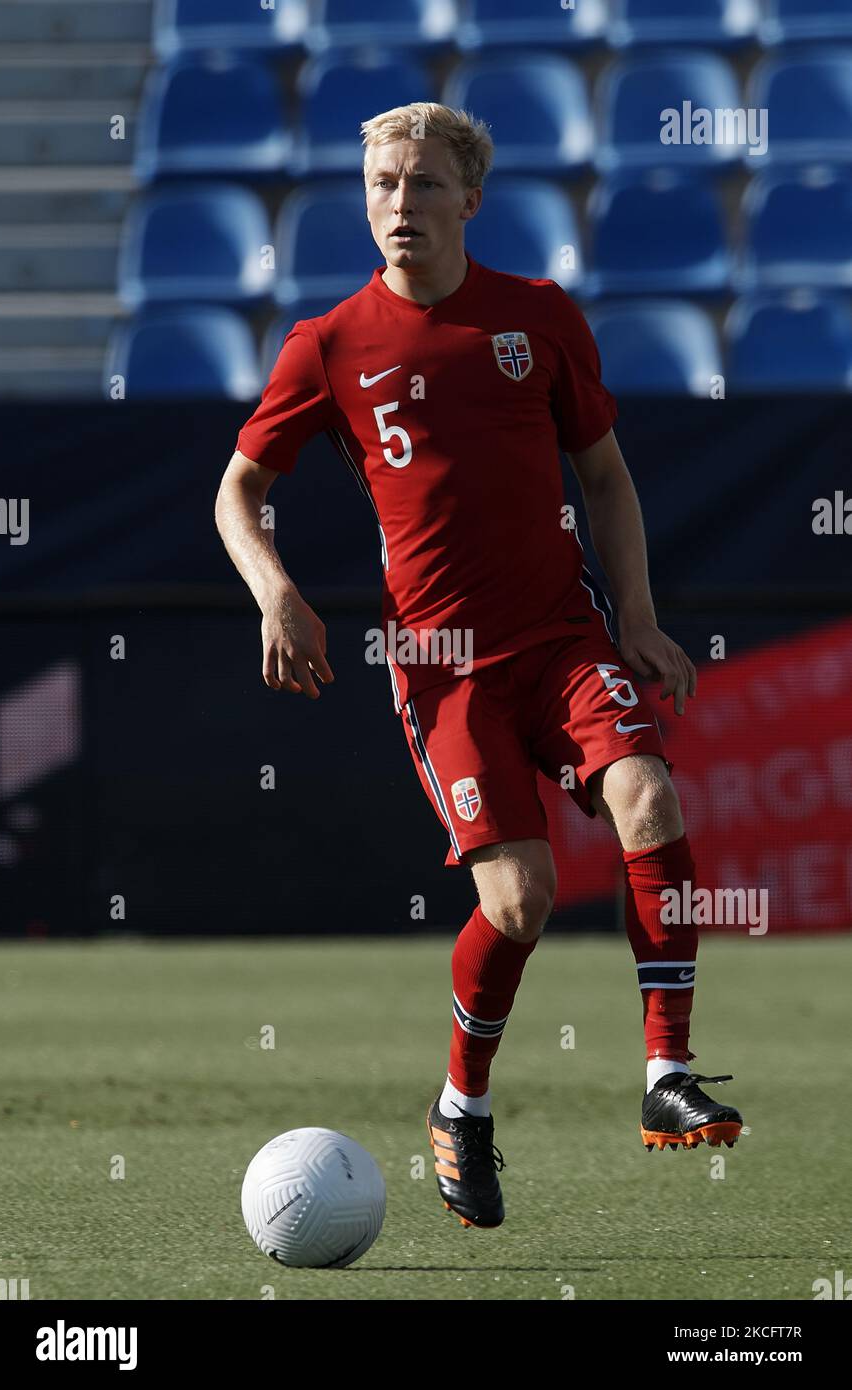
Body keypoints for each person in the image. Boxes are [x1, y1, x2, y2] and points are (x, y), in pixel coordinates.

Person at [215, 102, 743, 1231]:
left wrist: (638, 618)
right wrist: (279, 592)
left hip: (561, 638)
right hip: (443, 669)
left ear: (469, 198)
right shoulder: (326, 344)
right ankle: (461, 1105)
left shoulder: (537, 319)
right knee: (520, 895)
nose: (396, 205)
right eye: (379, 186)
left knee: (647, 793)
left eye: (418, 183)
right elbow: (235, 490)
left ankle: (664, 1072)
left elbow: (602, 475)